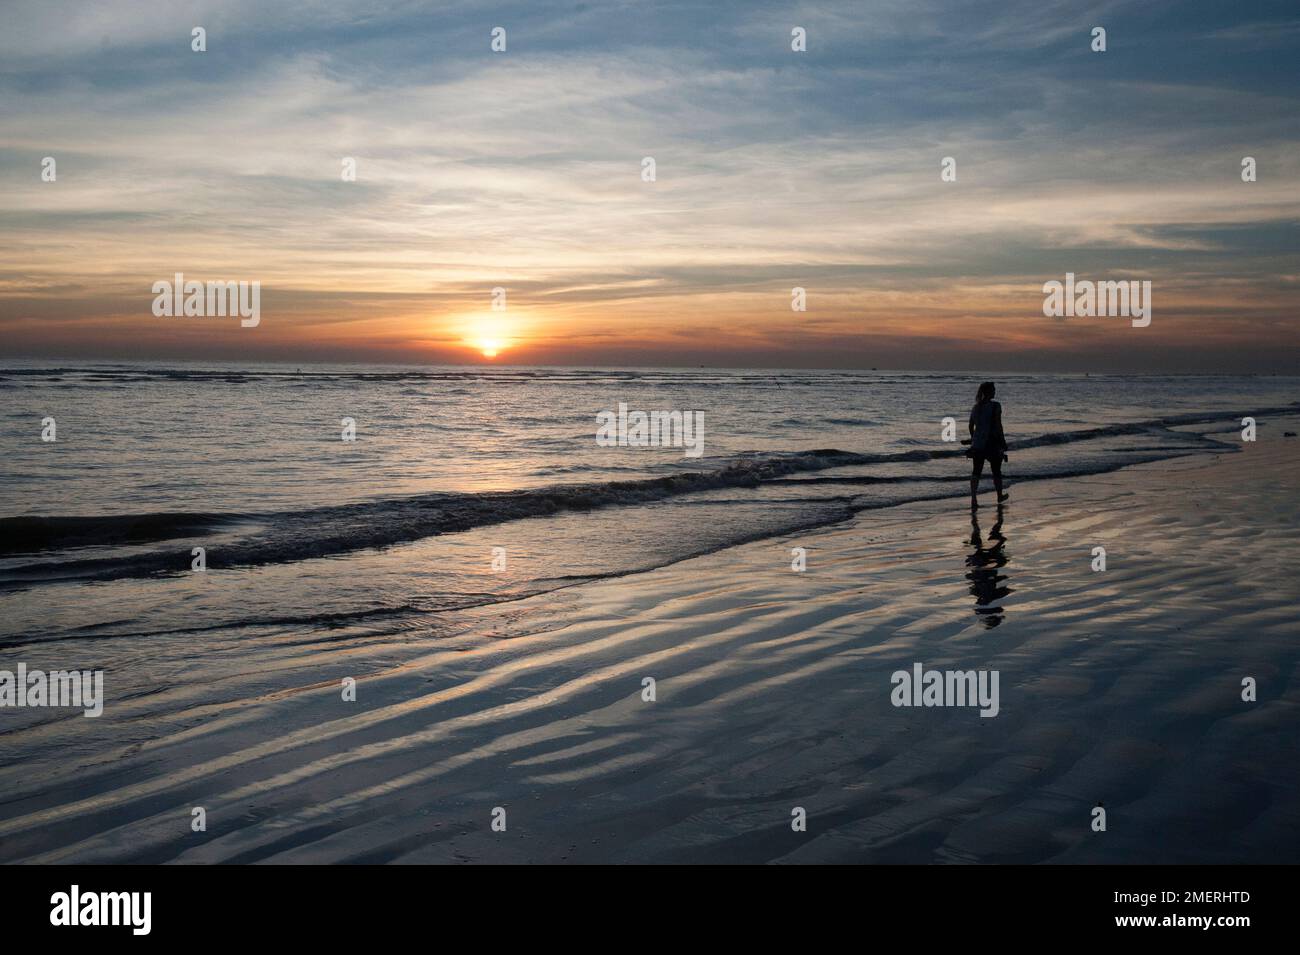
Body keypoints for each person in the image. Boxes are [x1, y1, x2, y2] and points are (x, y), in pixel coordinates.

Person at [967, 381, 1008, 508]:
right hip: (992, 443)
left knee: (976, 472)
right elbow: (998, 425)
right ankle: (999, 495)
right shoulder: (996, 406)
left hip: (978, 444)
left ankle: (973, 499)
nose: (995, 392)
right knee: (996, 471)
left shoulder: (975, 407)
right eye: (993, 390)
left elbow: (970, 426)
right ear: (989, 392)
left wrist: (974, 438)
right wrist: (1003, 441)